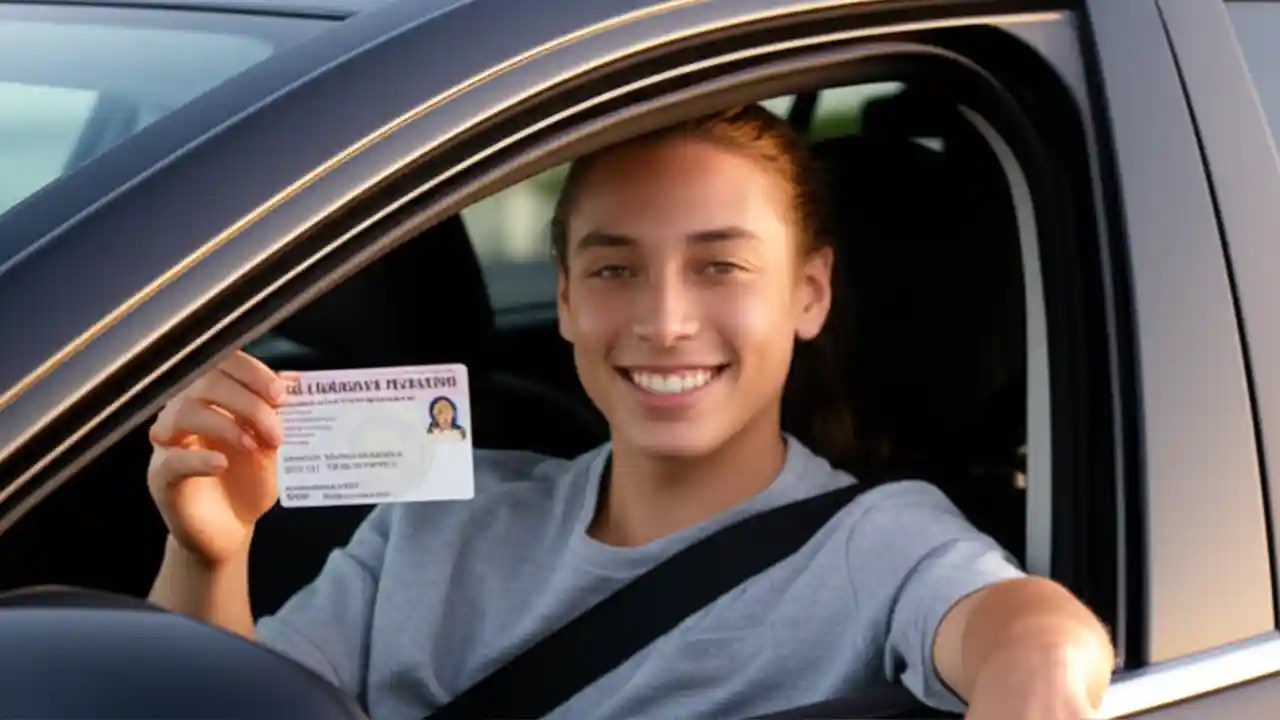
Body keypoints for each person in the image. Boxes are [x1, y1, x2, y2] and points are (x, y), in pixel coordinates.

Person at [146, 105, 1114, 719]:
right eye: (613, 269)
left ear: (808, 295)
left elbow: (1026, 629)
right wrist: (210, 554)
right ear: (563, 297)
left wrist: (1037, 662)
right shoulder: (440, 514)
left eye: (719, 266)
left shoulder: (873, 541)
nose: (662, 320)